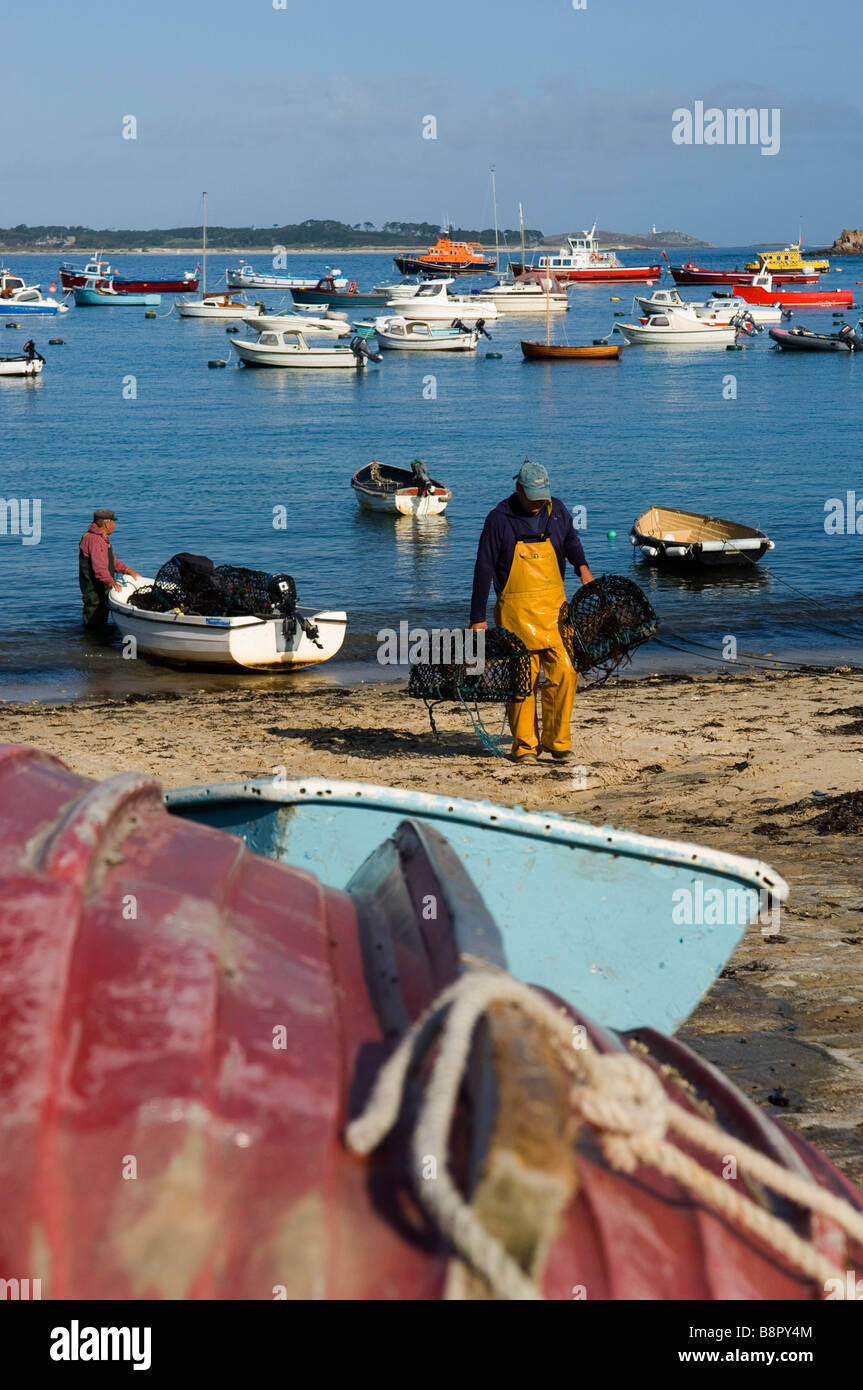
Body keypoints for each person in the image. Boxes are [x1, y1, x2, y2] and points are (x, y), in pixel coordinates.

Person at [470, 460, 593, 764]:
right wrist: (477, 618)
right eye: (533, 497)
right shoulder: (498, 519)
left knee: (565, 671)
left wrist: (583, 570)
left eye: (543, 496)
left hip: (554, 612)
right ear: (517, 490)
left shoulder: (557, 510)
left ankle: (557, 741)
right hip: (515, 615)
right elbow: (483, 567)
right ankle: (525, 745)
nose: (539, 503)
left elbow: (571, 543)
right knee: (522, 679)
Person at [79, 509, 141, 629]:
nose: (114, 525)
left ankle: (95, 644)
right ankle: (90, 644)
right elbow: (99, 567)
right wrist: (111, 582)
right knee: (93, 622)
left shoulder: (102, 538)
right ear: (107, 523)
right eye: (113, 522)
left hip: (100, 587)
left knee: (100, 620)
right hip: (94, 590)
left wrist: (128, 570)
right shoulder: (95, 540)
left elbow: (112, 562)